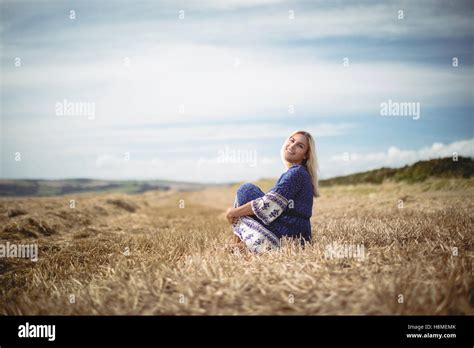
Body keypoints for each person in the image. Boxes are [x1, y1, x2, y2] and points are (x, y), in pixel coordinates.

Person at [225, 130, 320, 253]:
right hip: (296, 232)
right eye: (292, 140)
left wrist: (233, 213)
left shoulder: (297, 173)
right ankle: (241, 244)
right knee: (249, 195)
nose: (292, 146)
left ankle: (240, 244)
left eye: (300, 146)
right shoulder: (298, 172)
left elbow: (268, 204)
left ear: (305, 155)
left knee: (246, 190)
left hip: (290, 233)